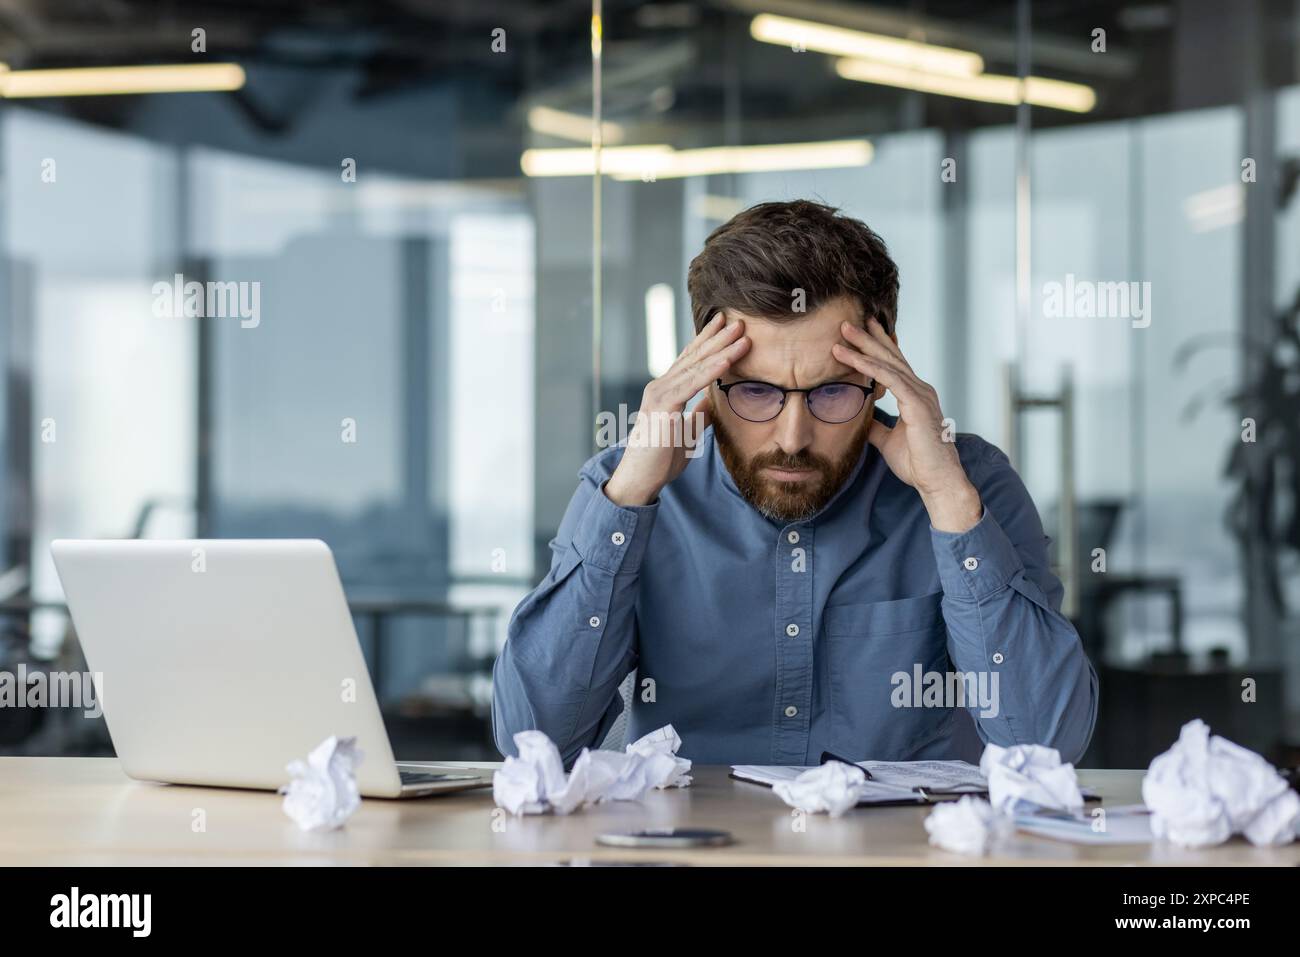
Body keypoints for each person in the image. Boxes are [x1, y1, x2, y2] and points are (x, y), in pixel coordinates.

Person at [493, 199, 1098, 767]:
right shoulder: (624, 486)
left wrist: (948, 502)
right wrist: (626, 504)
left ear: (884, 373)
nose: (792, 436)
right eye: (756, 390)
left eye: (831, 390)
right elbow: (535, 743)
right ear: (703, 375)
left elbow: (1044, 746)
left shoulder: (971, 486)